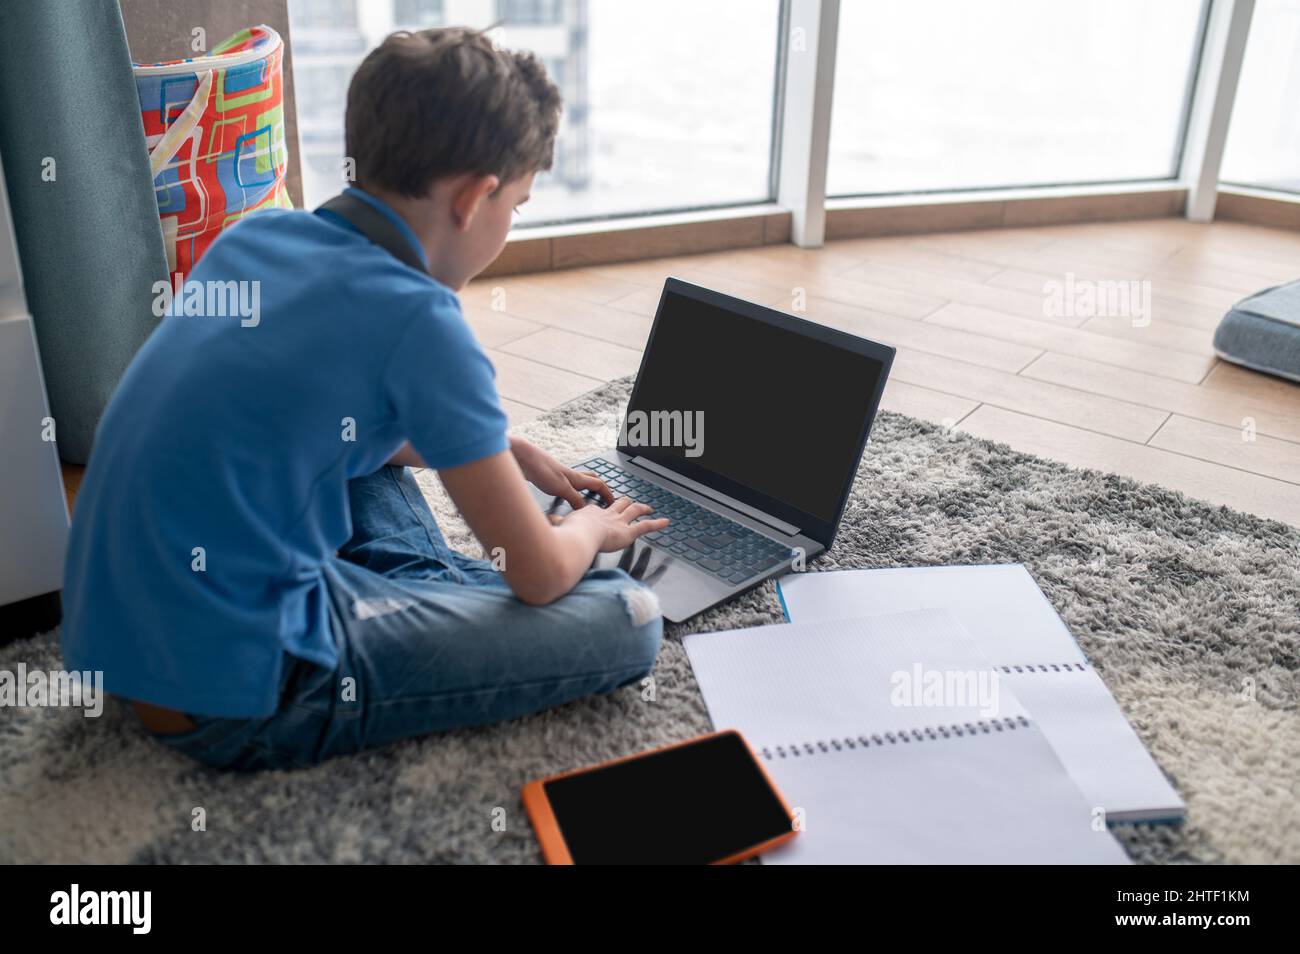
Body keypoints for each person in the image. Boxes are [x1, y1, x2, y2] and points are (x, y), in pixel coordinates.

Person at [60, 27, 667, 771]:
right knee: (628, 615)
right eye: (518, 206)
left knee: (362, 442)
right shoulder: (422, 321)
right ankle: (435, 605)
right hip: (237, 696)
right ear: (477, 198)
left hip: (115, 642)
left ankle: (427, 603)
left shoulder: (259, 238)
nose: (510, 224)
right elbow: (537, 574)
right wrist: (594, 531)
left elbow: (313, 414)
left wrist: (509, 450)